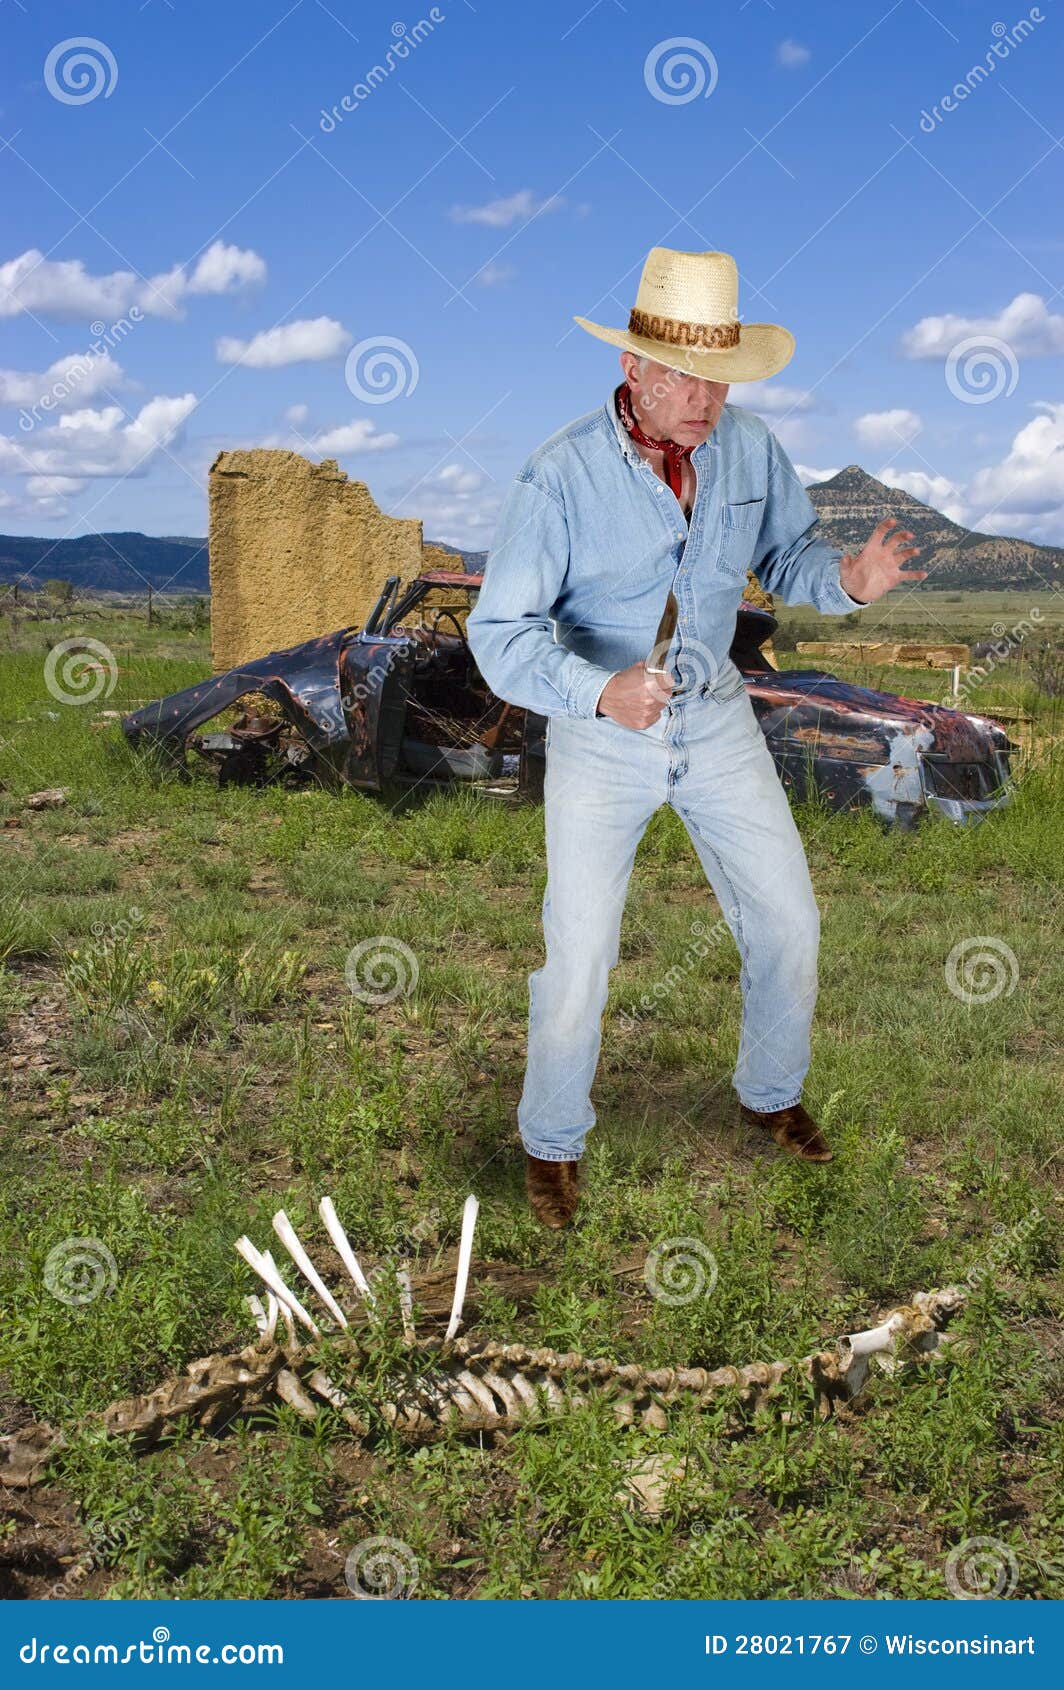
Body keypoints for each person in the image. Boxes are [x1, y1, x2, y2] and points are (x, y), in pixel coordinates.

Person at [466, 247, 925, 1228]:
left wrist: (842, 582)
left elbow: (790, 554)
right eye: (684, 378)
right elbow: (496, 635)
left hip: (714, 718)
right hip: (601, 736)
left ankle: (768, 1093)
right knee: (580, 952)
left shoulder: (749, 448)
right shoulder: (557, 475)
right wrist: (595, 692)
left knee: (788, 922)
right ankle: (550, 1141)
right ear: (632, 368)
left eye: (720, 379)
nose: (706, 400)